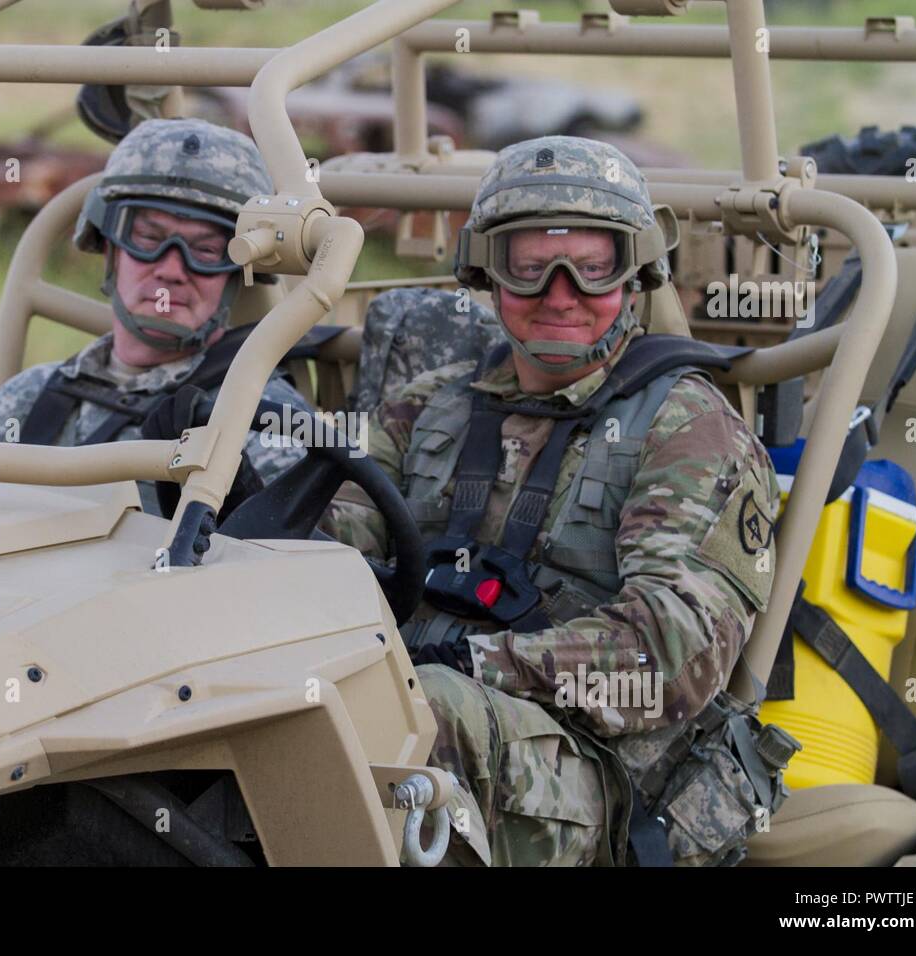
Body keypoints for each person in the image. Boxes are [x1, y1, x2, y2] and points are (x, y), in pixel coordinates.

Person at [323, 136, 788, 866]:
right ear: (486, 271)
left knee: (416, 712)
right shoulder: (425, 408)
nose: (561, 295)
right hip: (426, 715)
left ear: (636, 273)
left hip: (601, 781)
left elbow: (671, 656)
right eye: (531, 267)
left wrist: (476, 666)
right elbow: (325, 551)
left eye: (591, 267)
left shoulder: (690, 431)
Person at [0, 118, 308, 514]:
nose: (172, 270)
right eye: (149, 239)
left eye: (206, 250)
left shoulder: (263, 420)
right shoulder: (27, 398)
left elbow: (297, 564)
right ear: (109, 246)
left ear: (236, 272)